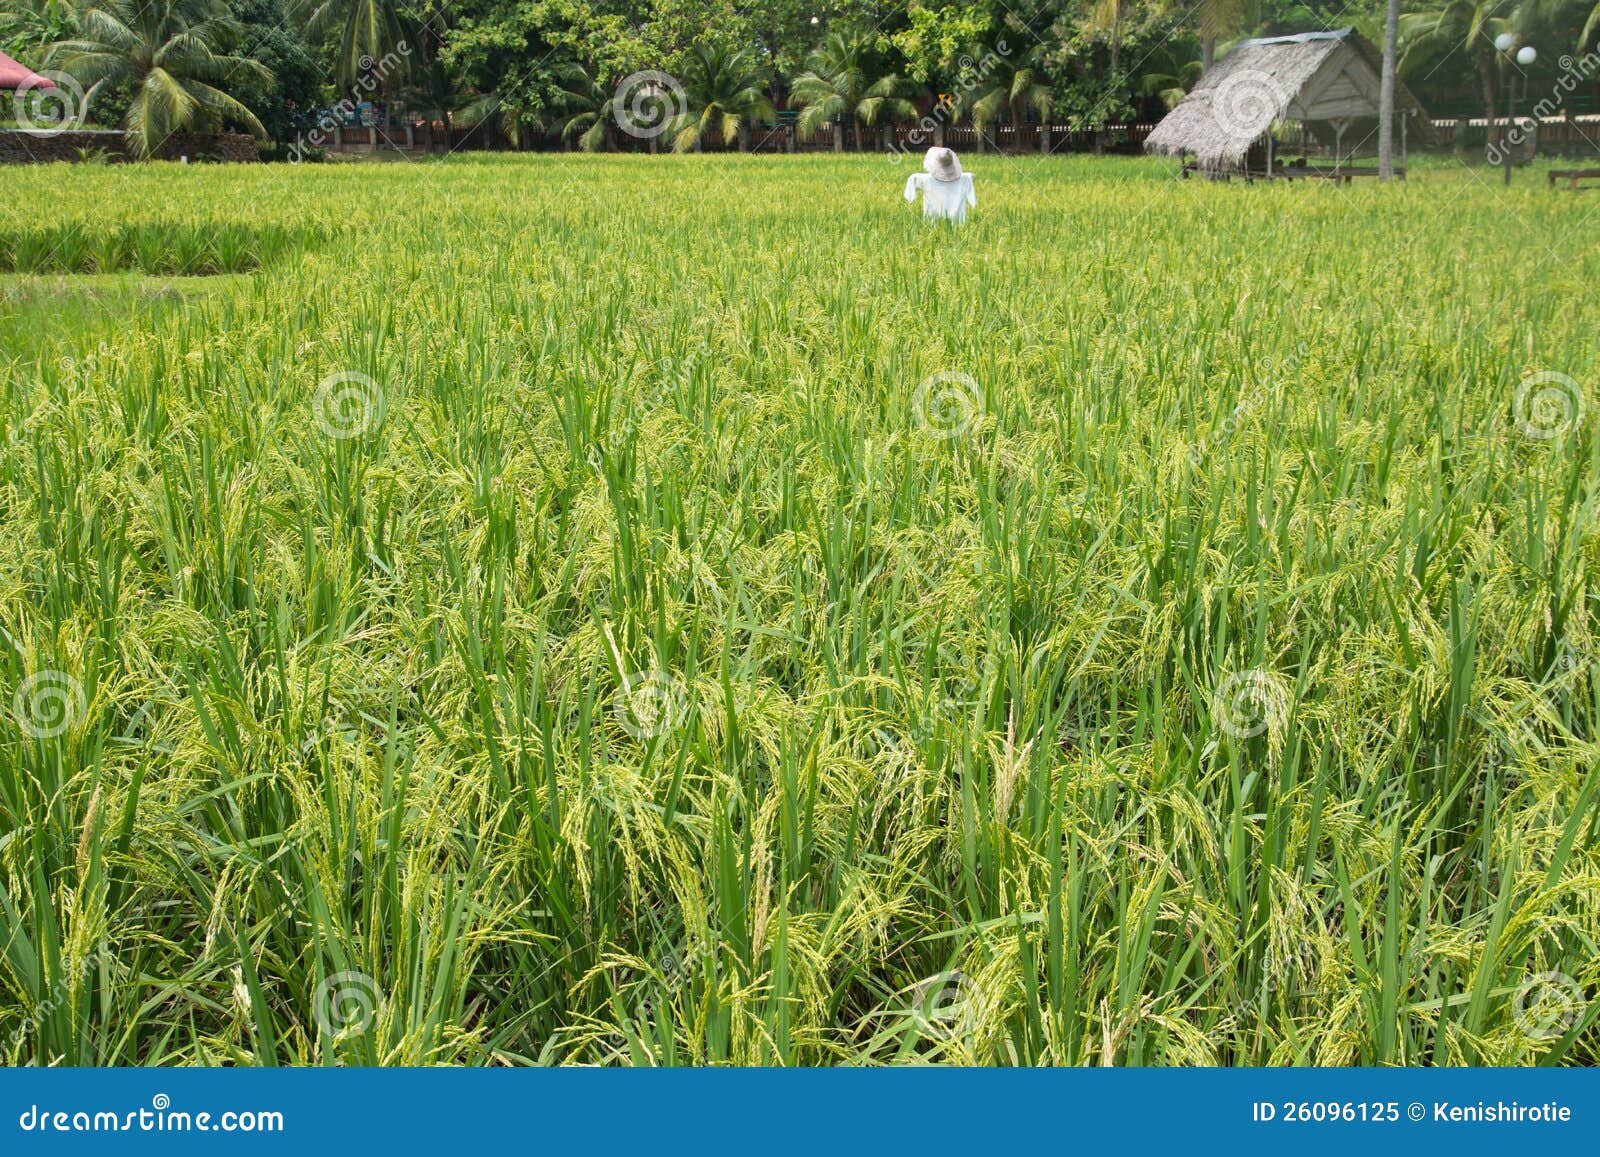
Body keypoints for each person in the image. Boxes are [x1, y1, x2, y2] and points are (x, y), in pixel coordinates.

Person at [903, 147, 976, 224]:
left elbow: (912, 178)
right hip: (956, 221)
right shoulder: (964, 179)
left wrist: (910, 197)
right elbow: (972, 176)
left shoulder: (925, 179)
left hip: (932, 220)